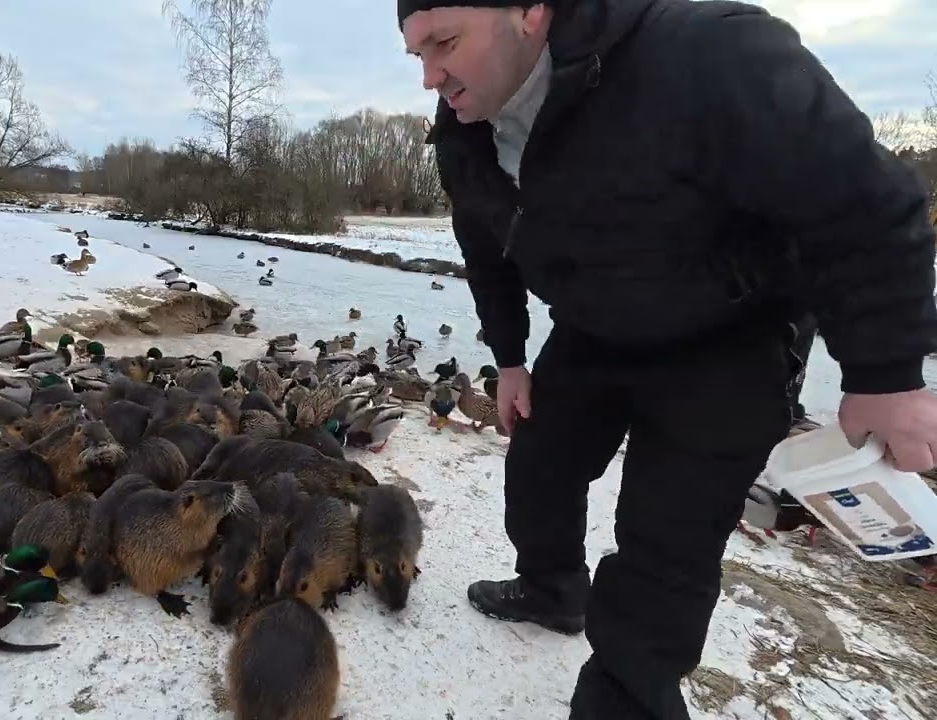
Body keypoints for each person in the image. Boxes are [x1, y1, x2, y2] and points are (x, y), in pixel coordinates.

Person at [398, 1, 937, 718]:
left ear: (529, 11)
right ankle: (553, 588)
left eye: (445, 42)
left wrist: (886, 371)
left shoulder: (706, 53)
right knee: (538, 466)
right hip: (594, 323)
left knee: (663, 543)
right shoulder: (463, 131)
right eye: (418, 56)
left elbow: (862, 199)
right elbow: (484, 247)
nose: (431, 76)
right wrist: (512, 357)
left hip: (731, 337)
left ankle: (626, 699)